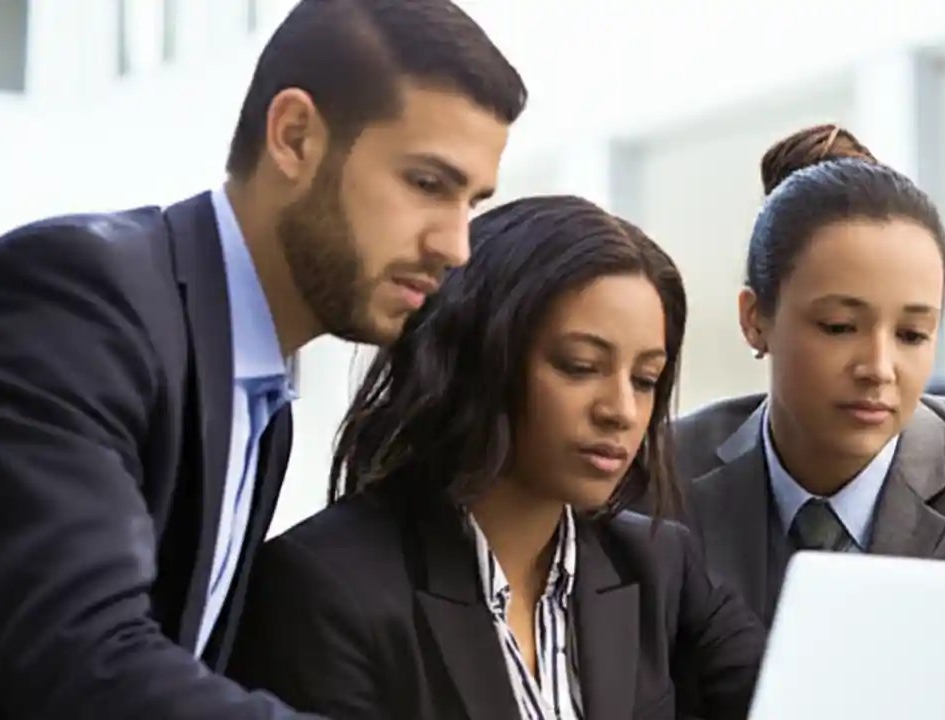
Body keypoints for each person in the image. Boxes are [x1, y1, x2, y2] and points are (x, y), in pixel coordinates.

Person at [0, 1, 525, 717]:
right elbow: (84, 655)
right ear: (294, 136)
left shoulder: (262, 397)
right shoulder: (85, 296)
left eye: (472, 203)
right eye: (427, 184)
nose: (456, 246)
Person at [225, 195, 767, 720]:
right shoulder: (323, 586)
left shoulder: (659, 563)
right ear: (479, 358)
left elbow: (794, 699)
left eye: (646, 379)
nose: (622, 411)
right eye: (580, 366)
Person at [674, 124, 945, 627]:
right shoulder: (657, 486)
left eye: (912, 334)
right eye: (839, 327)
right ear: (755, 319)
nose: (877, 368)